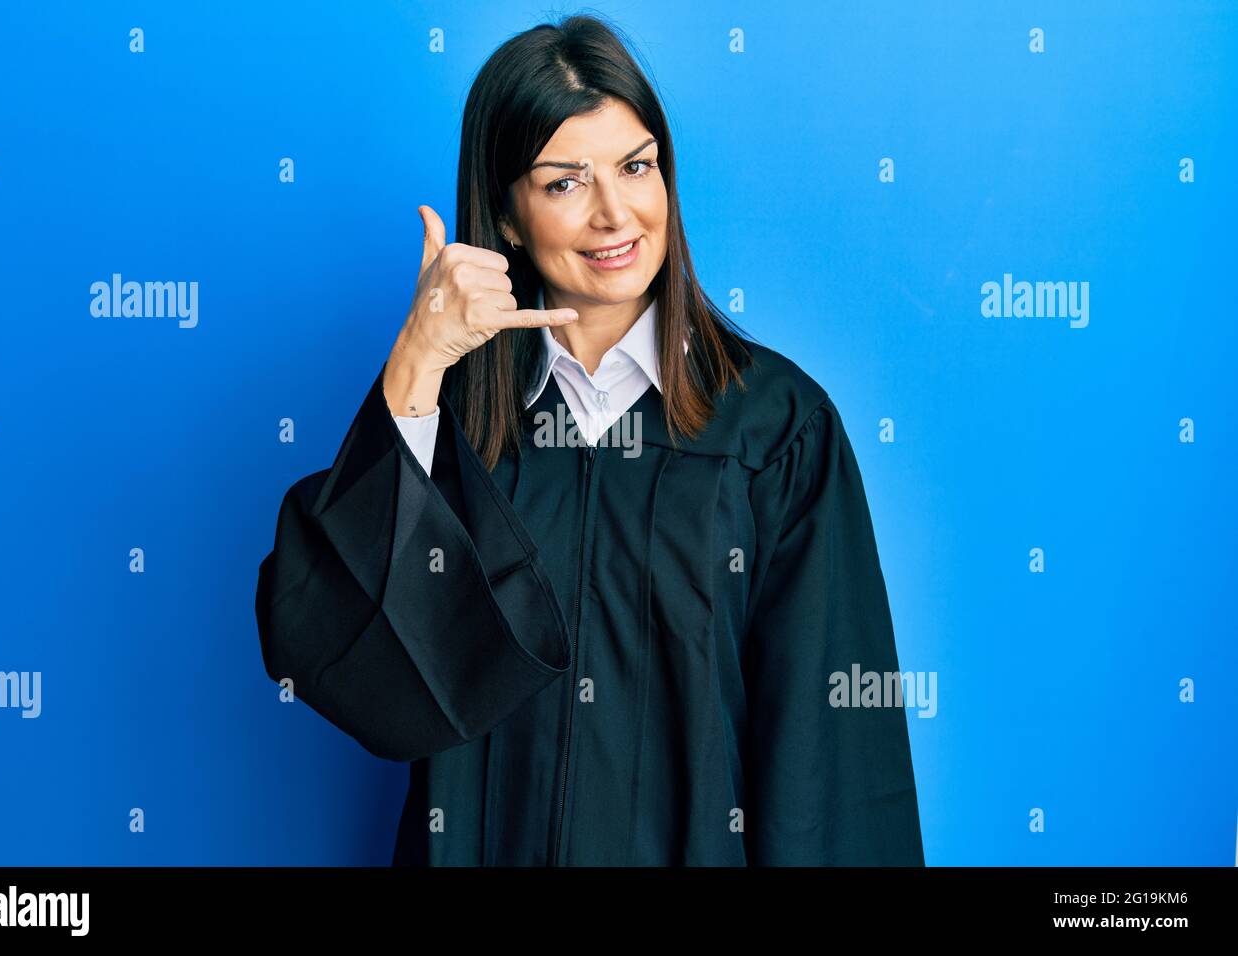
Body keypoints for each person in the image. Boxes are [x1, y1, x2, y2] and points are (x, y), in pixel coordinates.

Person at [254, 14, 925, 866]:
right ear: (504, 213)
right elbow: (339, 658)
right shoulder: (453, 414)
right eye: (564, 183)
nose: (616, 214)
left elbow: (829, 759)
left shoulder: (775, 428)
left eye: (637, 167)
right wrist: (414, 367)